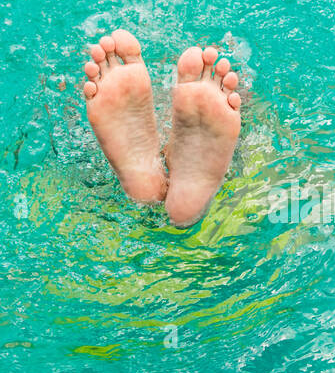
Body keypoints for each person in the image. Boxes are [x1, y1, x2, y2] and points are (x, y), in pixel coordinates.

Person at [81, 29, 242, 227]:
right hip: (229, 218)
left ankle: (148, 172)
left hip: (107, 217)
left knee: (169, 111)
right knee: (243, 109)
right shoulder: (221, 87)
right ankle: (192, 183)